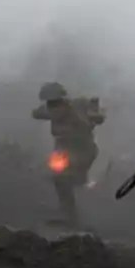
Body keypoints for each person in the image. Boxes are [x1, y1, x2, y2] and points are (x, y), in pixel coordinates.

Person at [32, 82, 105, 226]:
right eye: (51, 103)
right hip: (63, 149)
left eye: (56, 102)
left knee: (69, 179)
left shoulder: (77, 106)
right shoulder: (50, 110)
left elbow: (98, 117)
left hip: (82, 148)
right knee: (59, 179)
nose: (53, 106)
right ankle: (69, 213)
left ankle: (80, 209)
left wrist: (92, 114)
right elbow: (36, 113)